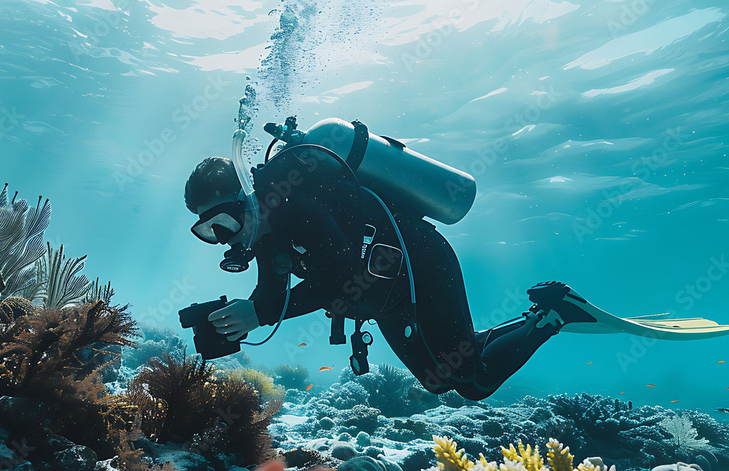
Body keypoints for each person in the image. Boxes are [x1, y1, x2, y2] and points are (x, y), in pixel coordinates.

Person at [185, 142, 729, 400]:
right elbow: (274, 298)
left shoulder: (298, 206)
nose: (226, 239)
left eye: (227, 222)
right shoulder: (268, 238)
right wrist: (244, 317)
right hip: (391, 297)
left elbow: (339, 272)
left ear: (246, 199)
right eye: (210, 233)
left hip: (423, 264)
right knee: (439, 380)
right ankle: (540, 313)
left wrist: (255, 312)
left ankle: (553, 316)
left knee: (474, 383)